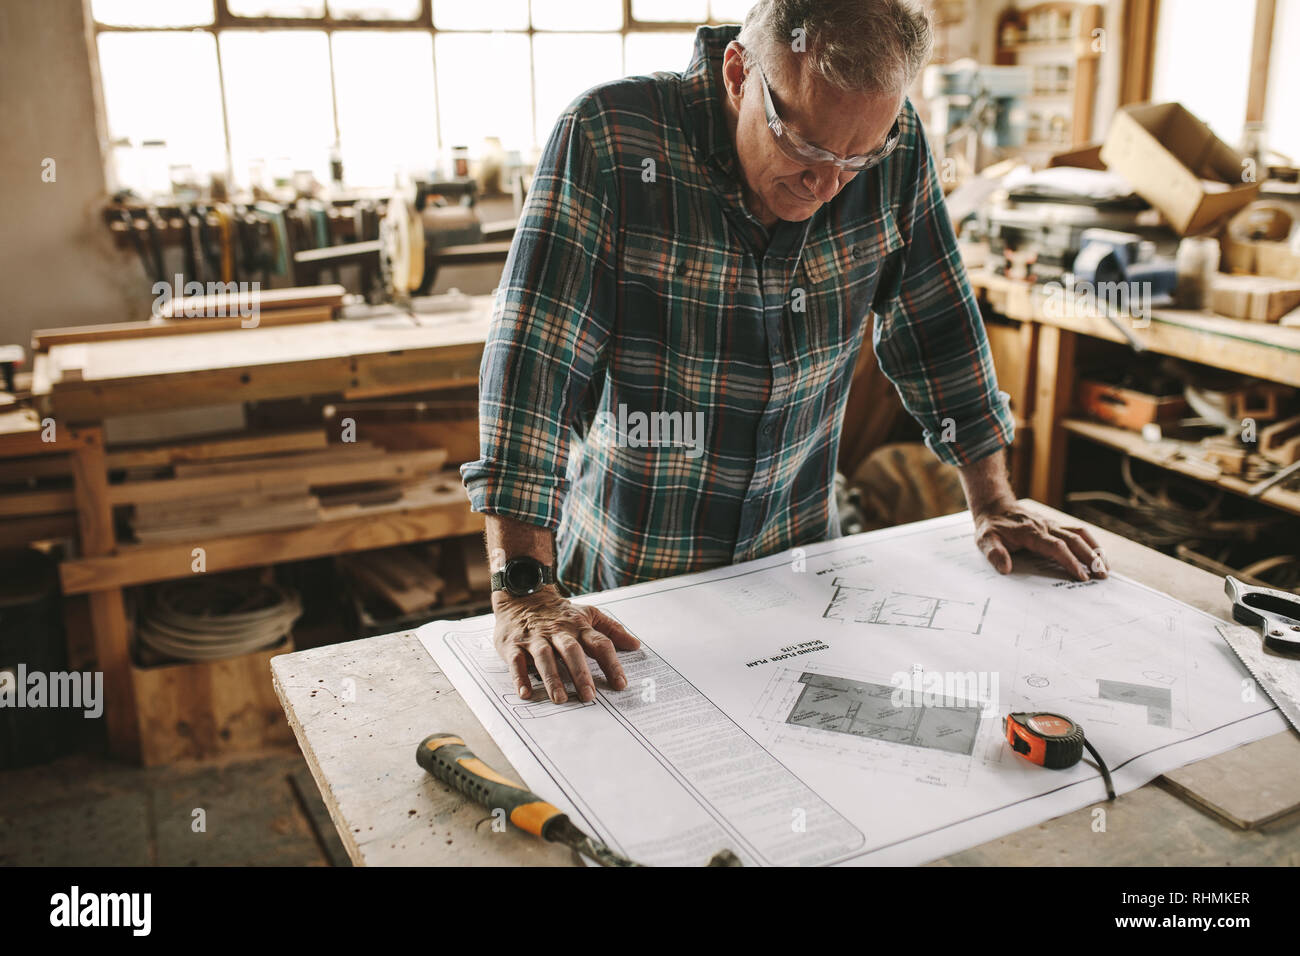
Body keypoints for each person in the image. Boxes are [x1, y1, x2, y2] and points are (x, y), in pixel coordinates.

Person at [462, 0, 1108, 706]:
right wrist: (524, 588)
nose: (828, 184)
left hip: (799, 575)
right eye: (804, 148)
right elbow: (533, 367)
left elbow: (937, 323)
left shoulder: (894, 147)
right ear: (738, 75)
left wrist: (993, 500)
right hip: (637, 581)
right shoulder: (612, 137)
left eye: (855, 159)